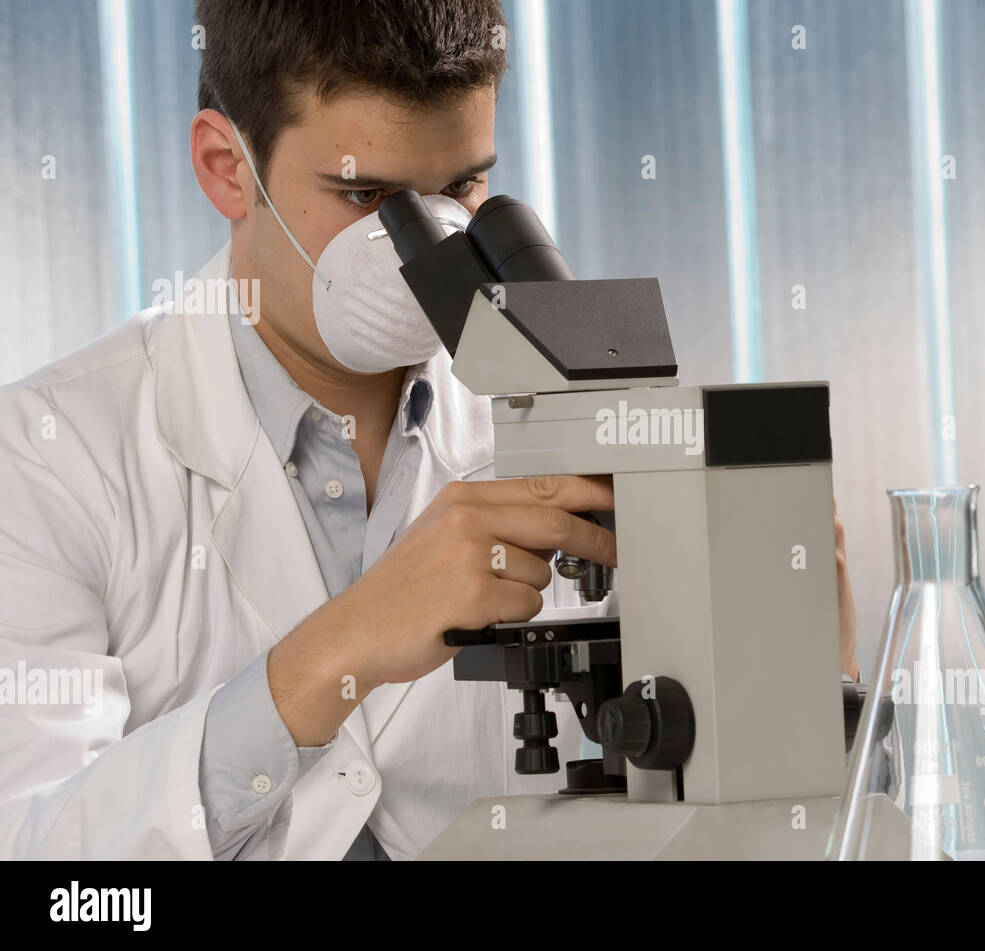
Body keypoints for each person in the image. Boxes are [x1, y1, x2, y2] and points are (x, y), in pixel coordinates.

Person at [0, 0, 859, 860]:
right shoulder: (47, 454)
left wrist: (798, 681)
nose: (427, 248)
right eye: (366, 194)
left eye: (461, 191)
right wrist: (333, 654)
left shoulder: (563, 420)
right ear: (228, 166)